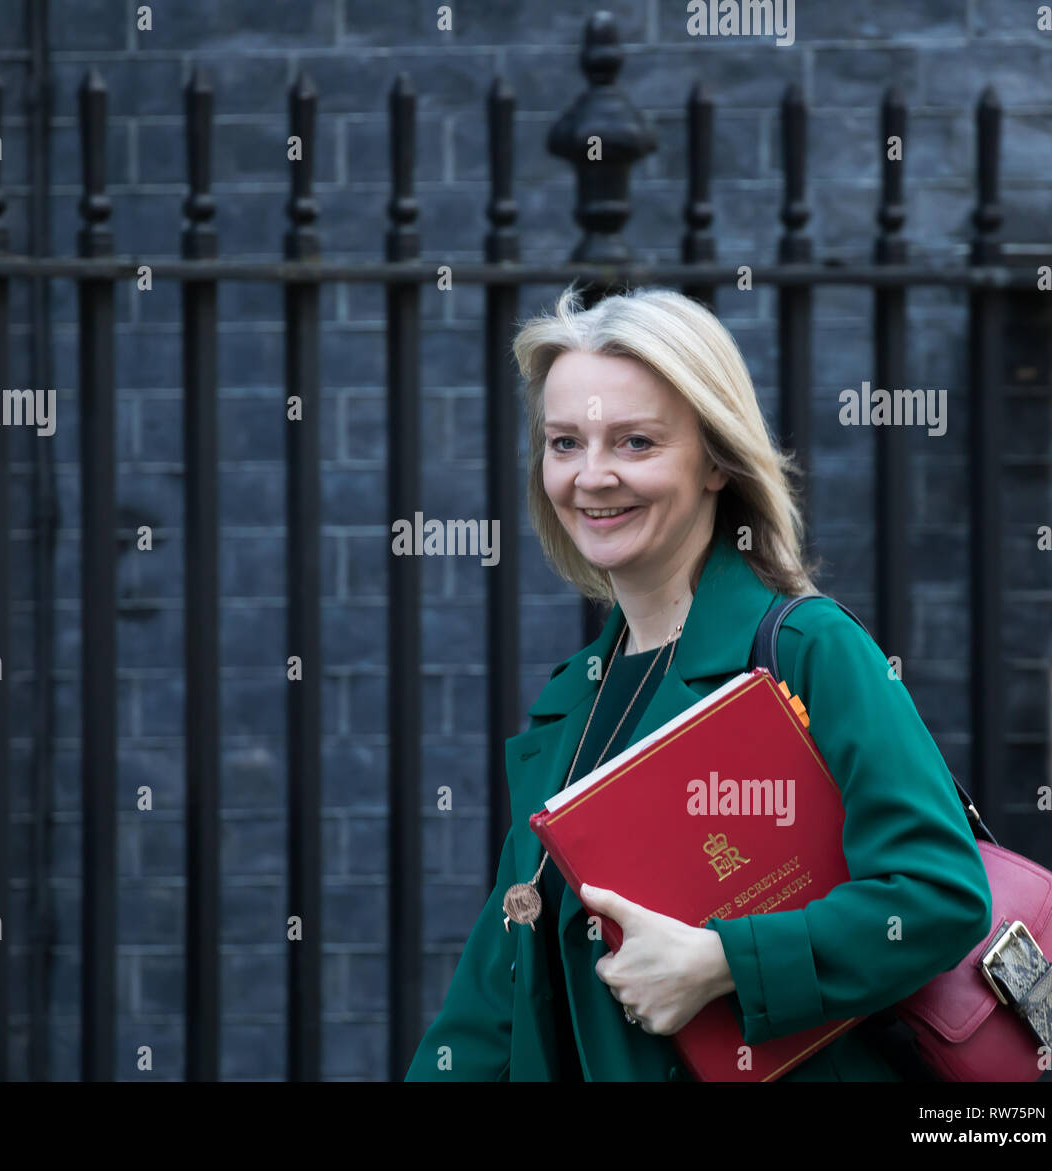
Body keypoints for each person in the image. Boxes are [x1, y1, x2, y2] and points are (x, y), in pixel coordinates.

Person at [403, 284, 993, 1082]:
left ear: (717, 460)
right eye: (565, 442)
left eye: (637, 442)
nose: (592, 476)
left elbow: (938, 895)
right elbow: (496, 994)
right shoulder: (573, 702)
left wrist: (723, 961)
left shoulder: (812, 648)